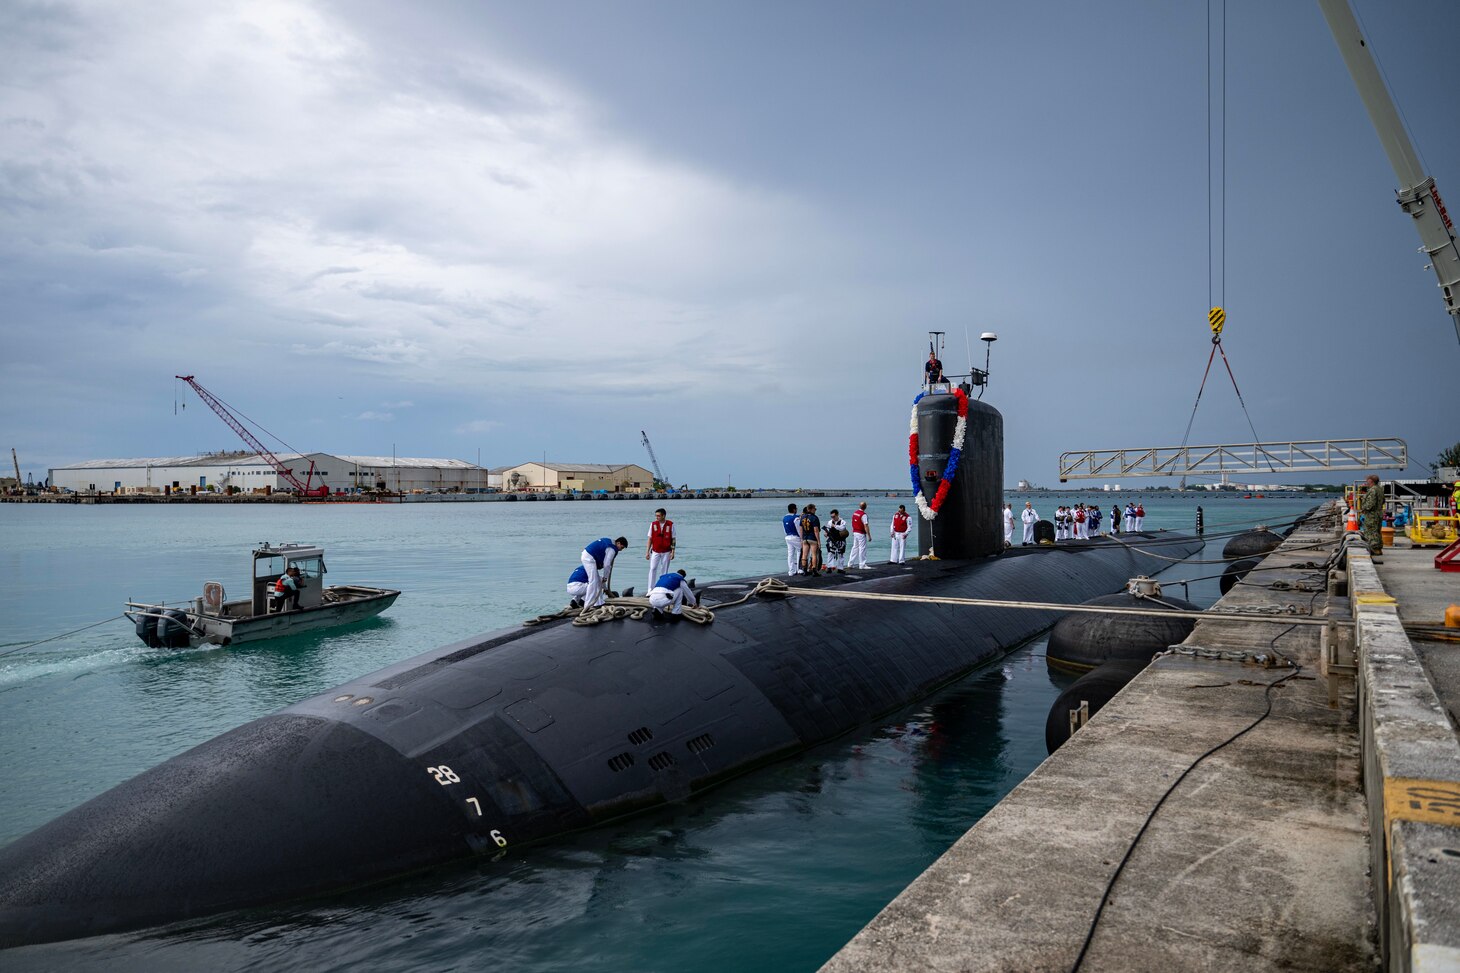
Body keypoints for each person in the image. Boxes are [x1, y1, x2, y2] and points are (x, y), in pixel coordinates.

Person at [581, 536, 628, 609]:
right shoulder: (612, 549)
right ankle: (588, 605)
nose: (621, 550)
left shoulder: (610, 541)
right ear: (618, 543)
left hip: (588, 555)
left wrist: (605, 586)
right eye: (621, 547)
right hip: (589, 558)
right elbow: (607, 564)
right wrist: (605, 577)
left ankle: (597, 603)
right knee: (593, 581)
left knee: (597, 581)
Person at [645, 507, 675, 592]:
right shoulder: (653, 524)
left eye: (658, 516)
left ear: (663, 516)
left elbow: (673, 539)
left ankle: (662, 588)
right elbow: (650, 539)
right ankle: (650, 589)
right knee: (652, 568)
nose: (657, 517)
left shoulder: (670, 524)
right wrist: (647, 552)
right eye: (656, 516)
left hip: (666, 551)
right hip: (655, 551)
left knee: (664, 570)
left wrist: (673, 552)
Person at [1360, 473, 1384, 554]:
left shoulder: (1373, 490)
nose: (1366, 483)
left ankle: (1374, 548)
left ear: (1371, 481)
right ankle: (1378, 548)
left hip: (1372, 515)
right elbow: (1383, 501)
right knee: (1377, 531)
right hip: (1379, 513)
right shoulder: (1380, 489)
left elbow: (1370, 504)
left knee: (1371, 531)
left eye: (1367, 481)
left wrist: (1364, 508)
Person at [799, 503, 823, 575]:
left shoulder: (802, 517)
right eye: (814, 509)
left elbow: (801, 529)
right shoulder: (814, 518)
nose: (815, 510)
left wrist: (801, 539)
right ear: (811, 509)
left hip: (805, 538)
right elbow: (816, 530)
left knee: (804, 554)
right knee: (814, 554)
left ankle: (804, 570)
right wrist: (818, 541)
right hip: (812, 538)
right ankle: (814, 570)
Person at [782, 503, 802, 576]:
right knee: (800, 551)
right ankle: (799, 569)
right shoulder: (796, 518)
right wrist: (801, 538)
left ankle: (791, 571)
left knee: (790, 554)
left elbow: (784, 529)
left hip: (788, 537)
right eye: (796, 508)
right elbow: (798, 529)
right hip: (795, 537)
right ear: (794, 509)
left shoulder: (784, 518)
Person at [850, 501, 871, 569]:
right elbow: (866, 525)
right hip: (861, 533)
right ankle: (862, 564)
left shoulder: (855, 513)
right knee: (862, 549)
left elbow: (853, 522)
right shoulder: (863, 515)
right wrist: (869, 535)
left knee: (855, 548)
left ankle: (851, 563)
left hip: (855, 532)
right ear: (865, 507)